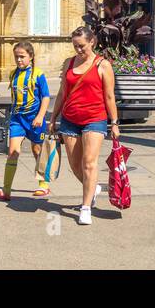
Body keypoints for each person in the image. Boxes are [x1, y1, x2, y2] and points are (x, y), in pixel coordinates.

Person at [47, 25, 119, 226]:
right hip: (70, 119)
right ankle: (93, 187)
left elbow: (109, 96)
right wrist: (53, 118)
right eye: (75, 46)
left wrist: (114, 122)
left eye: (81, 46)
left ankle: (85, 207)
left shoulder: (102, 65)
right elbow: (62, 92)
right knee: (75, 165)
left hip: (95, 119)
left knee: (89, 163)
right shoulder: (69, 63)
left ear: (92, 42)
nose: (78, 50)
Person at [0, 41, 52, 200]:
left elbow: (45, 96)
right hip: (17, 119)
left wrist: (40, 116)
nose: (19, 60)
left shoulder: (38, 74)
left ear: (31, 57)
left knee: (37, 151)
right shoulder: (13, 74)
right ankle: (6, 190)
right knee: (12, 152)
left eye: (22, 57)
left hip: (35, 120)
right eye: (16, 57)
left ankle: (44, 185)